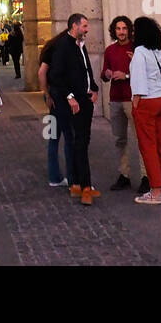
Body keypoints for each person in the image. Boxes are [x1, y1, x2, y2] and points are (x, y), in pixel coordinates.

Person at [47, 13, 100, 206]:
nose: (87, 29)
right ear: (74, 26)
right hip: (73, 104)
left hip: (85, 101)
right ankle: (84, 186)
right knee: (79, 143)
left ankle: (78, 183)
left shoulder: (81, 45)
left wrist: (93, 88)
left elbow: (86, 70)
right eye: (84, 26)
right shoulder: (63, 47)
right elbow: (56, 76)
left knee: (82, 142)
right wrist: (70, 97)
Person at [100, 15, 147, 194]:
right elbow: (103, 73)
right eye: (118, 29)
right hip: (115, 100)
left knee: (140, 138)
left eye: (124, 28)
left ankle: (146, 175)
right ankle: (124, 175)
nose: (121, 32)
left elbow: (145, 72)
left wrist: (126, 75)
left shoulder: (137, 49)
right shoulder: (110, 50)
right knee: (119, 140)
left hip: (133, 99)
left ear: (129, 30)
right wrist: (108, 73)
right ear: (114, 31)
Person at [130, 16, 161, 206]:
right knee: (160, 145)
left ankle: (155, 190)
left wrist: (135, 104)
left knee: (148, 147)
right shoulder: (158, 52)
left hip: (146, 101)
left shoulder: (139, 52)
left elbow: (138, 81)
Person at [39, 30, 75, 188]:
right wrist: (48, 94)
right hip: (59, 98)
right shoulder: (61, 49)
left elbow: (41, 72)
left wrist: (46, 94)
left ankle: (54, 177)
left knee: (53, 137)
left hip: (52, 97)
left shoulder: (50, 47)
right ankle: (72, 178)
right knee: (69, 137)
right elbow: (42, 72)